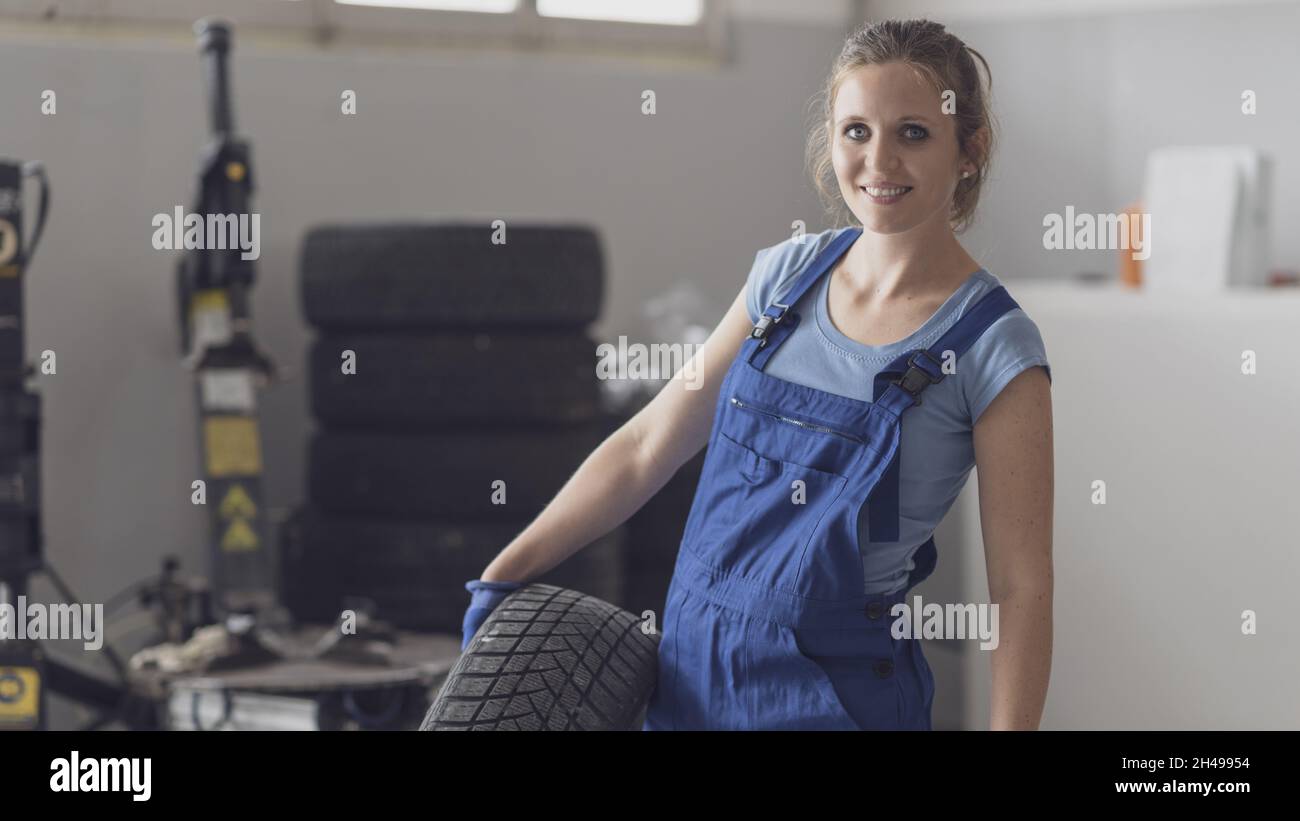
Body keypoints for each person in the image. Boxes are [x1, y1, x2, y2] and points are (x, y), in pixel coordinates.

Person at [462, 18, 1054, 731]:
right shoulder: (783, 279)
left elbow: (1021, 588)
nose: (879, 161)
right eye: (856, 131)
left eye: (914, 133)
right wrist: (507, 569)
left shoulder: (994, 343)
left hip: (839, 701)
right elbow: (648, 446)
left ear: (970, 149)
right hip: (690, 680)